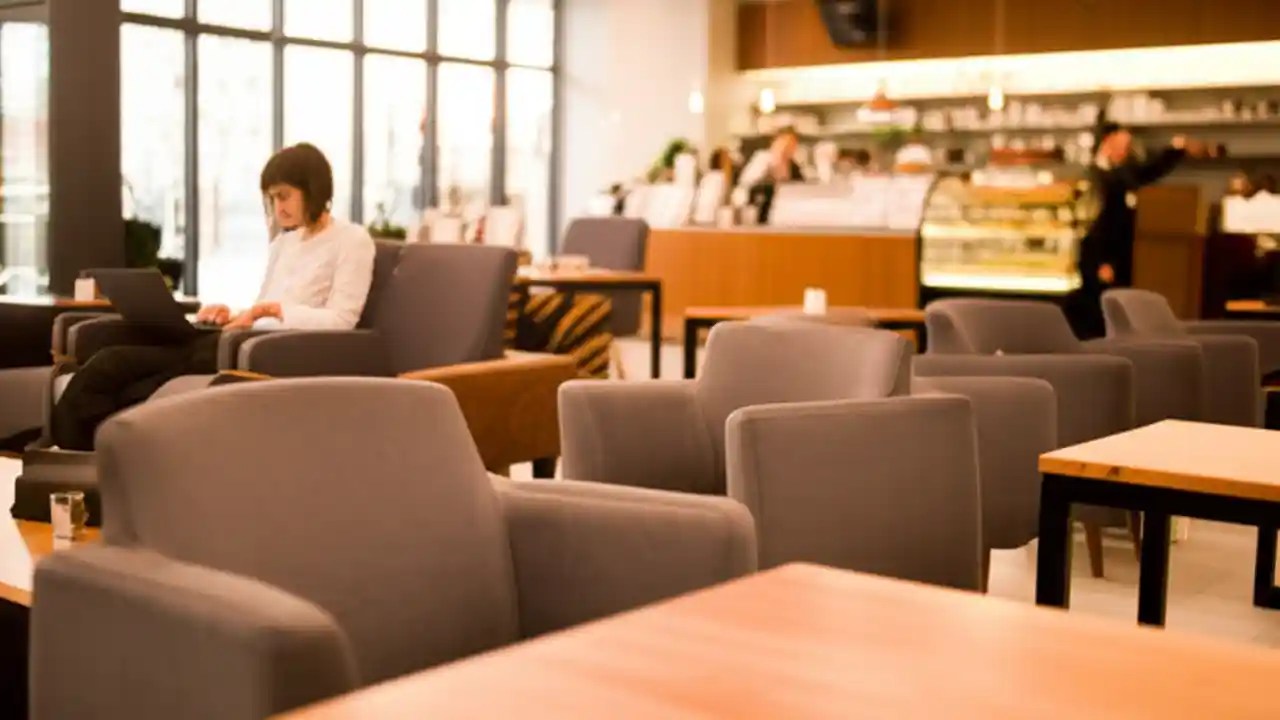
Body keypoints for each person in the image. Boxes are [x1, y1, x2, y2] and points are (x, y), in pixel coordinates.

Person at [50, 143, 376, 450]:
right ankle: (66, 454)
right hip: (236, 340)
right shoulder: (285, 244)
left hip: (270, 351)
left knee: (116, 366)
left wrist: (273, 311)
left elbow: (343, 320)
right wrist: (232, 314)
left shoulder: (352, 240)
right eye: (272, 199)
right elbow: (261, 309)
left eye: (284, 196)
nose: (278, 208)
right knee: (109, 350)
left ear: (314, 190)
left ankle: (74, 454)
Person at [1065, 124, 1207, 339]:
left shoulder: (1116, 174)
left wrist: (1175, 151)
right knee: (1100, 315)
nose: (1126, 150)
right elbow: (1094, 226)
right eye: (1122, 144)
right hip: (1101, 260)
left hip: (1119, 257)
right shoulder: (1097, 178)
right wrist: (1103, 261)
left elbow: (1144, 174)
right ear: (1107, 142)